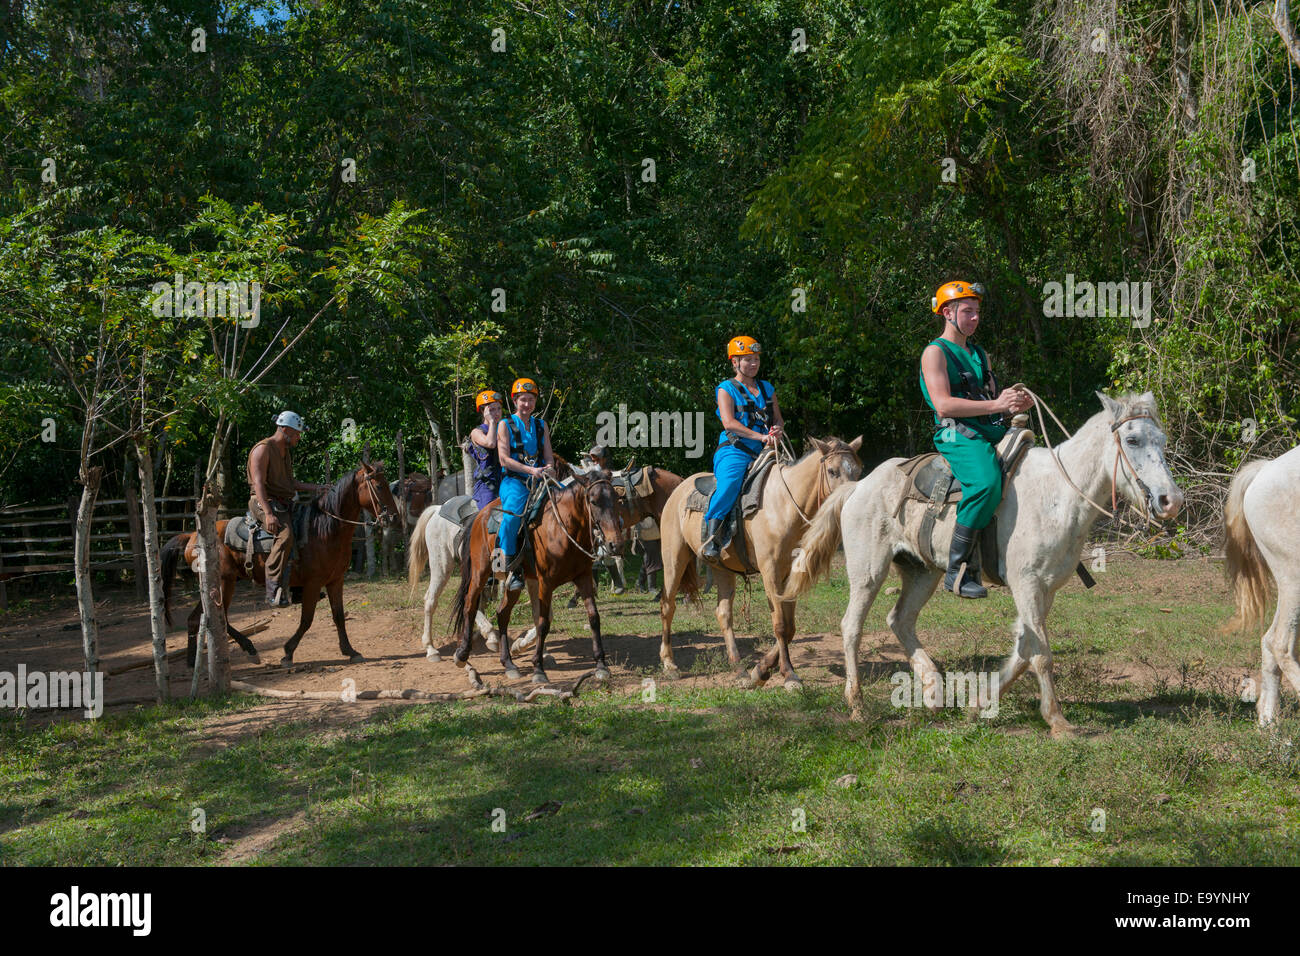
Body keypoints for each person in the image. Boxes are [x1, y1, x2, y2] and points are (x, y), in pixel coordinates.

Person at [919, 281, 1033, 598]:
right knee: (985, 482)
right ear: (947, 312)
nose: (974, 318)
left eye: (977, 312)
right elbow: (942, 404)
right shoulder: (935, 353)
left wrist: (1012, 405)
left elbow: (992, 399)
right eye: (967, 311)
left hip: (989, 427)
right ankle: (958, 570)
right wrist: (996, 405)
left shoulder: (980, 353)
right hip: (954, 431)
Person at [701, 335, 784, 561]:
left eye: (756, 359)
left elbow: (778, 419)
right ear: (734, 362)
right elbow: (729, 423)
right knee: (729, 484)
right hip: (735, 450)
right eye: (747, 359)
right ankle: (713, 537)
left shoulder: (767, 388)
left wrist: (777, 430)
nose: (754, 363)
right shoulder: (726, 388)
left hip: (766, 450)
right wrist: (760, 436)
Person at [247, 411, 332, 607]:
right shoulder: (263, 449)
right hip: (264, 501)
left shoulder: (285, 452)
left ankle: (299, 587)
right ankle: (273, 588)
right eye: (296, 434)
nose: (298, 438)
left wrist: (317, 487)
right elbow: (259, 484)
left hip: (284, 502)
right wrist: (268, 513)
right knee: (285, 536)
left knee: (309, 527)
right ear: (285, 430)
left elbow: (290, 482)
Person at [495, 377, 556, 591]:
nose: (527, 404)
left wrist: (549, 469)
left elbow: (549, 457)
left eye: (531, 400)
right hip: (514, 481)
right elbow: (504, 459)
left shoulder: (542, 425)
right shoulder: (504, 425)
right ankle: (503, 567)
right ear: (515, 401)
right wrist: (532, 470)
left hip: (541, 480)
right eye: (523, 400)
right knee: (511, 517)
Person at [467, 389, 503, 510]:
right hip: (487, 485)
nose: (496, 413)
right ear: (483, 411)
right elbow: (491, 443)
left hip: (505, 480)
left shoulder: (504, 429)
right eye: (492, 410)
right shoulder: (477, 432)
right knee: (488, 519)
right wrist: (492, 422)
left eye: (498, 408)